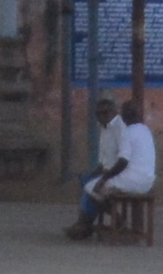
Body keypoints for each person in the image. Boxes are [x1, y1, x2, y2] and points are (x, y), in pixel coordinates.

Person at [67, 97, 157, 238]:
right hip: (147, 180)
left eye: (106, 113)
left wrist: (104, 178)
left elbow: (122, 161)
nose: (102, 116)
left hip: (131, 179)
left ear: (119, 114)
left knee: (92, 188)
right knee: (91, 182)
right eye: (99, 114)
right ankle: (84, 223)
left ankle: (116, 220)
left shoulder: (125, 132)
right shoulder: (144, 130)